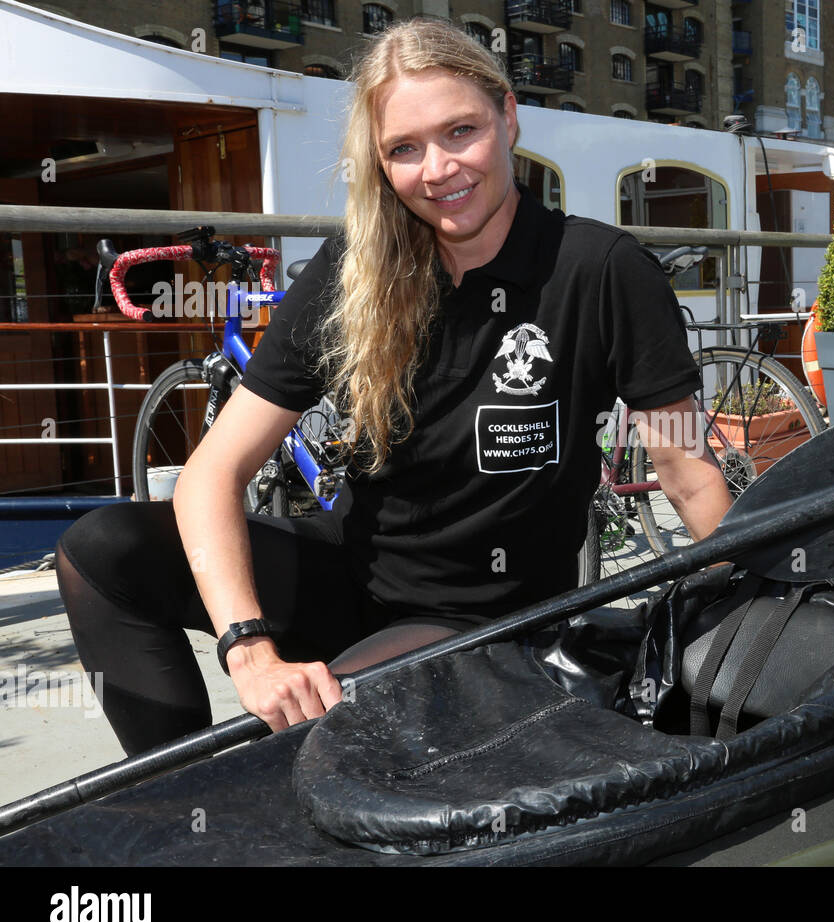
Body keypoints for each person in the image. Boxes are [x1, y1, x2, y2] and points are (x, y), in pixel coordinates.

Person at [54, 18, 732, 757]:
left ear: (508, 116)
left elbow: (686, 467)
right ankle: (173, 799)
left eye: (460, 131)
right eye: (403, 149)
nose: (438, 169)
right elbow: (212, 471)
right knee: (101, 550)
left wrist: (746, 599)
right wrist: (247, 648)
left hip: (482, 617)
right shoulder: (361, 268)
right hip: (352, 577)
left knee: (304, 749)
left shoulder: (602, 269)